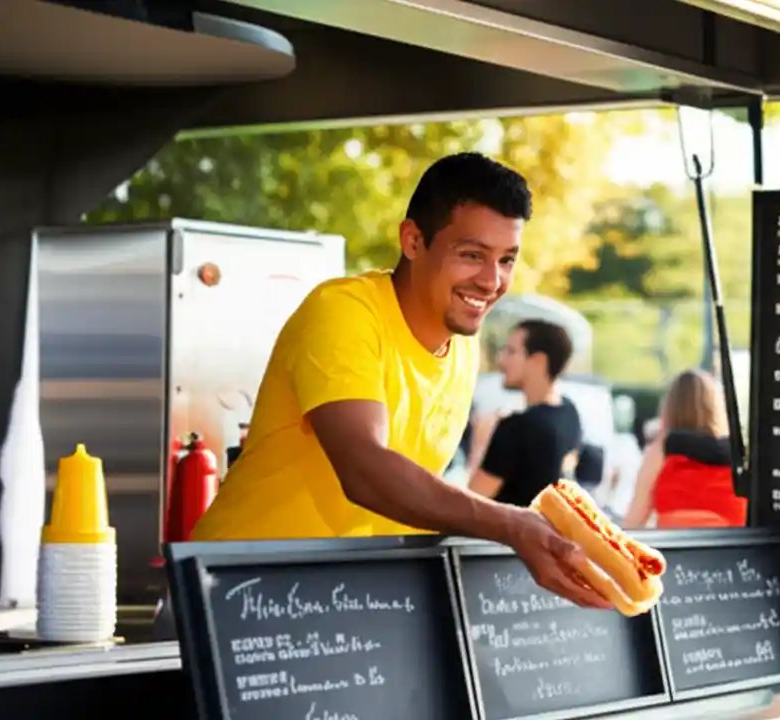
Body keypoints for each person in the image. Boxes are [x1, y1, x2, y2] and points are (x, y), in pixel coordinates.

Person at [189, 152, 608, 611]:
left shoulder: (462, 344)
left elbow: (417, 498)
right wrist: (509, 524)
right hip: (232, 597)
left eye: (507, 259)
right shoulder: (345, 312)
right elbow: (365, 470)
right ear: (412, 240)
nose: (492, 280)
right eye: (472, 255)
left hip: (341, 604)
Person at [468, 319, 583, 506]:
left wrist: (479, 444)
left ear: (538, 360)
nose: (502, 361)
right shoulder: (569, 413)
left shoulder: (517, 427)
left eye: (511, 352)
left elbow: (471, 503)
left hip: (506, 533)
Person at [622, 369, 746, 528]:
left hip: (677, 548)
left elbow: (635, 520)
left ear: (669, 408)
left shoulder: (662, 450)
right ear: (715, 408)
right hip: (730, 549)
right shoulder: (737, 456)